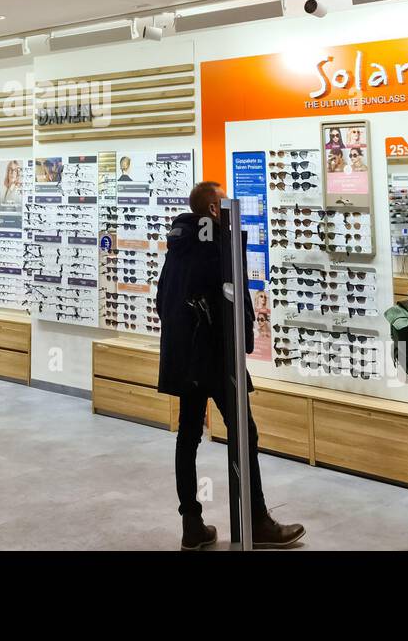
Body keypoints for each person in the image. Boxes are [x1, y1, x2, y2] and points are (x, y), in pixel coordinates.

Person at [156, 180, 306, 550]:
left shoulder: (179, 245)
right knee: (245, 433)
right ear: (212, 210)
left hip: (186, 358)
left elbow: (164, 299)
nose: (227, 208)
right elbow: (229, 301)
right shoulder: (215, 247)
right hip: (215, 360)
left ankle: (192, 524)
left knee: (188, 436)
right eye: (223, 203)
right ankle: (257, 519)